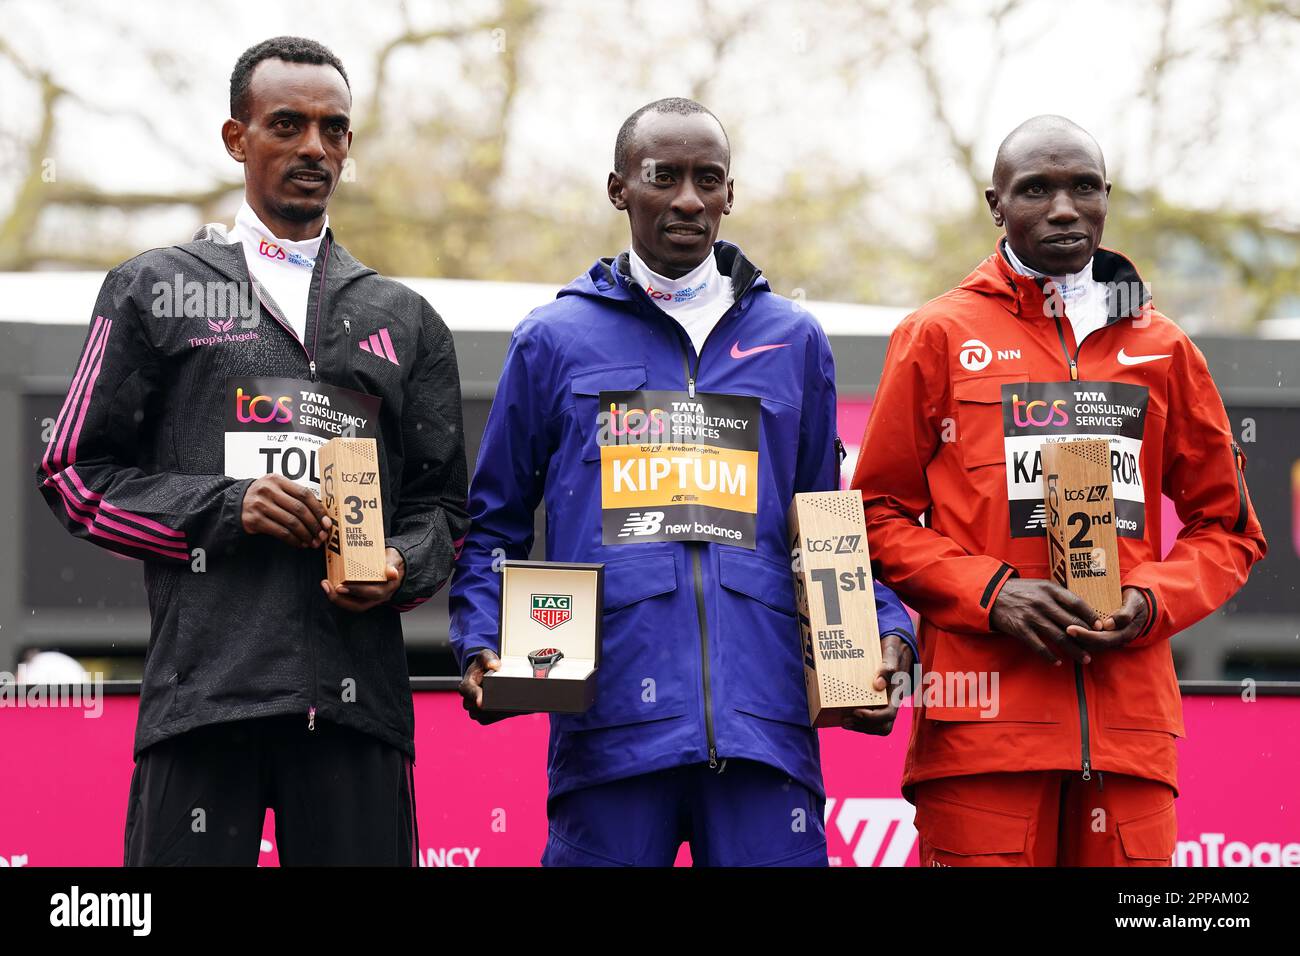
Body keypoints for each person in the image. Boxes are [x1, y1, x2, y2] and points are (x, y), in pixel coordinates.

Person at [36, 36, 469, 865]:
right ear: (237, 138)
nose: (314, 147)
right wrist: (229, 507)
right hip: (203, 702)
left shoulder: (407, 317)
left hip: (356, 712)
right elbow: (72, 475)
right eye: (287, 124)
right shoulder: (156, 287)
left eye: (333, 129)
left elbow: (444, 512)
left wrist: (398, 566)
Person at [449, 97, 915, 867]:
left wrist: (884, 631)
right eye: (664, 176)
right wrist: (482, 641)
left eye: (709, 179)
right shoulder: (552, 340)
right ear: (619, 188)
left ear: (732, 193)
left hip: (765, 728)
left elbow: (831, 524)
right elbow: (494, 522)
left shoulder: (794, 340)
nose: (689, 199)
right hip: (608, 730)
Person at [852, 115, 1267, 866]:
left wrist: (1149, 601)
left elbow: (1230, 529)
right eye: (1036, 190)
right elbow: (875, 515)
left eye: (1084, 188)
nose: (1065, 209)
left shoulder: (1163, 347)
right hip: (983, 734)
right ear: (996, 204)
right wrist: (992, 595)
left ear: (1107, 196)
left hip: (1130, 738)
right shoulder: (937, 335)